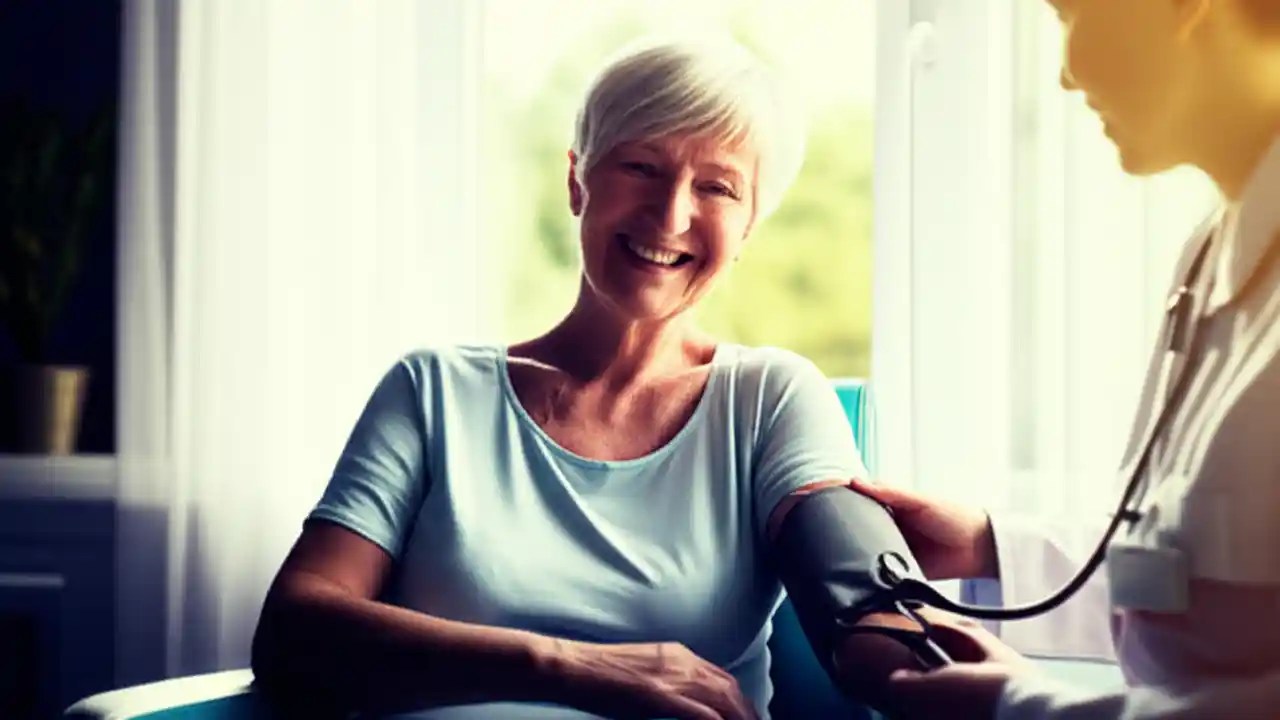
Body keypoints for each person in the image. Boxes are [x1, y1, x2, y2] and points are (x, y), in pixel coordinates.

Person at [250, 36, 940, 720]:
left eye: (718, 187)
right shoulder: (432, 391)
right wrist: (570, 666)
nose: (671, 215)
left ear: (750, 224)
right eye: (641, 166)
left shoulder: (771, 399)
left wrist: (978, 645)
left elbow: (872, 623)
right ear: (577, 180)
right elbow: (293, 633)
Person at [853, 0, 1280, 717]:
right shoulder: (1212, 251)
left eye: (1068, 13)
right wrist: (988, 548)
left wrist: (1024, 708)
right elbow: (1193, 578)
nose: (1064, 74)